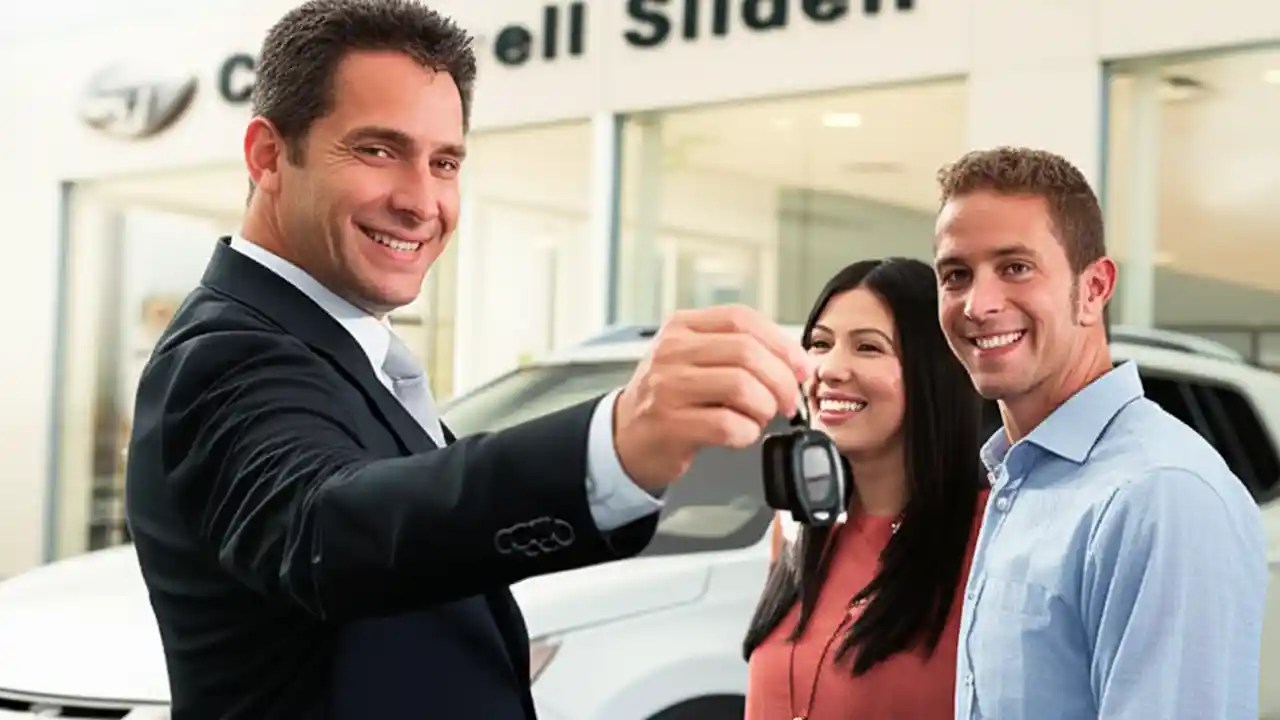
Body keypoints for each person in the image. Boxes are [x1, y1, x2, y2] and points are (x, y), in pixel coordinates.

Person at [123, 1, 812, 718]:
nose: (422, 201)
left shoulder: (335, 349)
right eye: (377, 150)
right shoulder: (226, 355)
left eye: (444, 162)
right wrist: (616, 437)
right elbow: (328, 529)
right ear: (268, 155)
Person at [932, 146, 1269, 720]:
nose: (977, 304)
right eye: (956, 275)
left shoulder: (1160, 494)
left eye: (1015, 267)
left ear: (1093, 289)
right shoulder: (1023, 479)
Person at [742, 258, 990, 719]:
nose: (830, 369)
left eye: (868, 348)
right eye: (820, 344)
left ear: (932, 372)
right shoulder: (798, 529)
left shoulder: (991, 540)